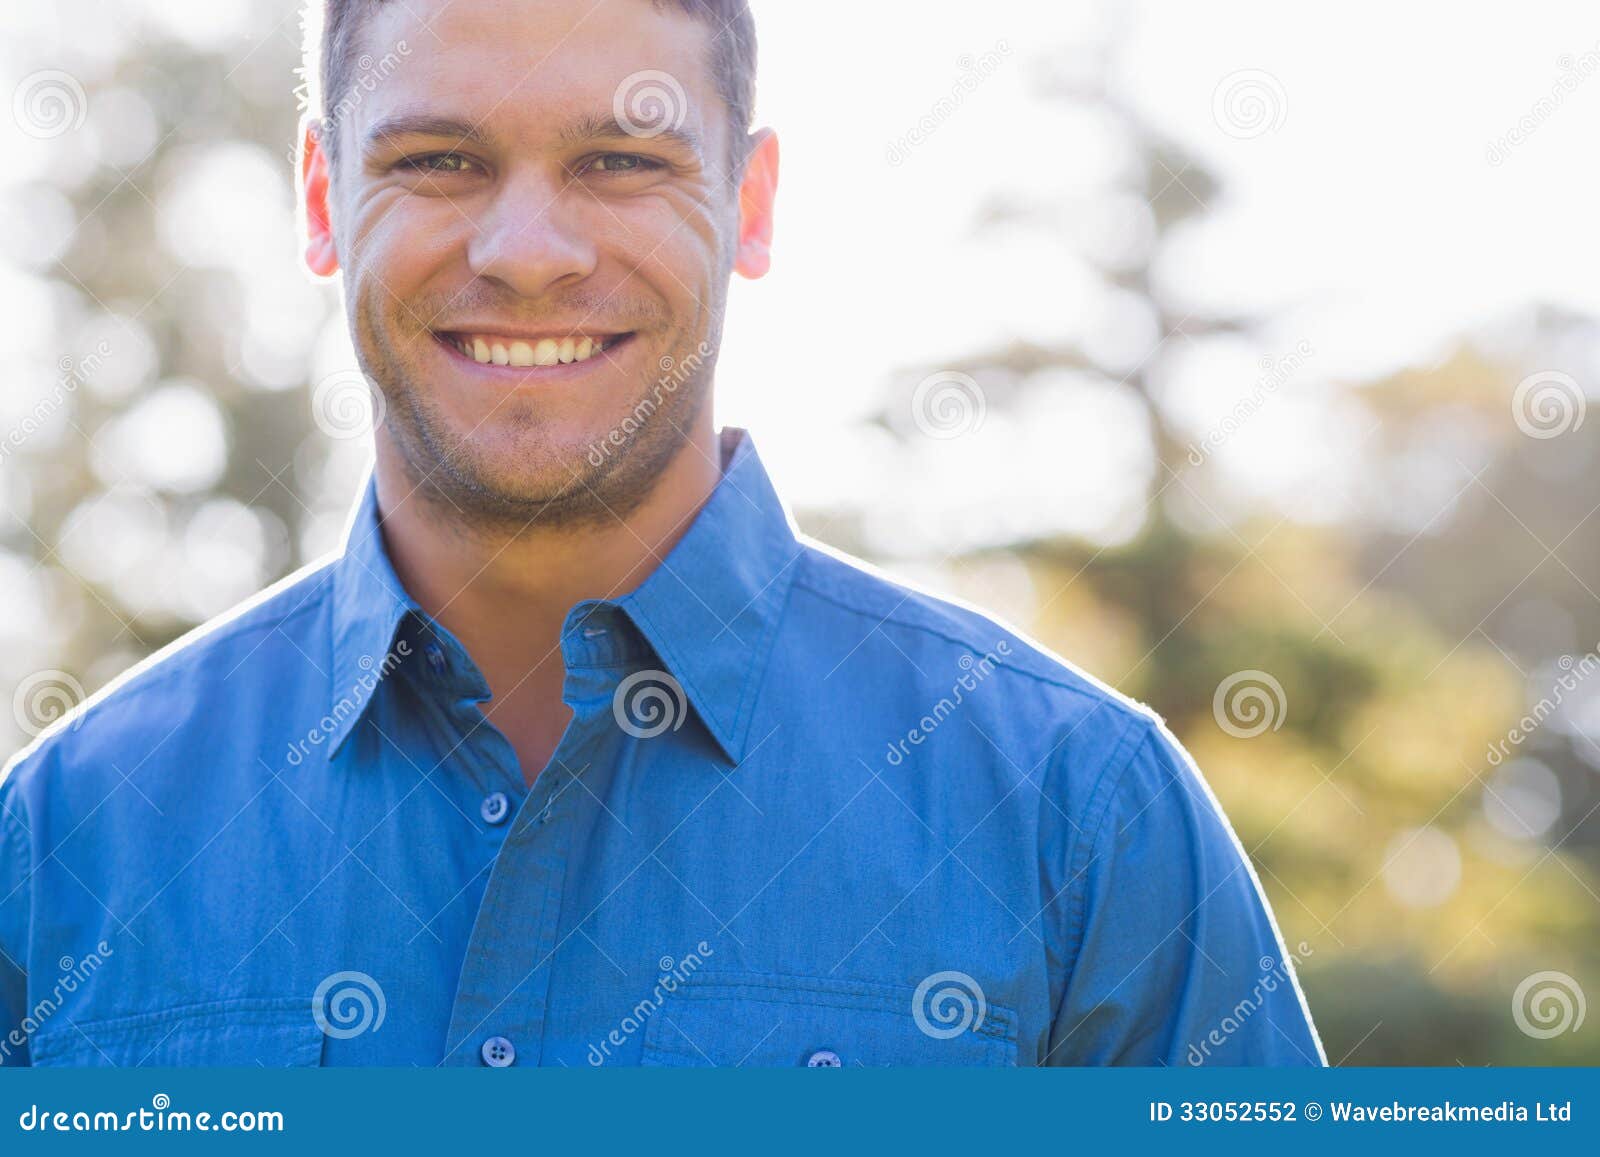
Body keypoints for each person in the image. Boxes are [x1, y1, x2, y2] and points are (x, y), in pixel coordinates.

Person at [0, 0, 1322, 1067]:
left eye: (620, 160)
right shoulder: (62, 844)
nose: (528, 250)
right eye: (438, 160)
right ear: (320, 196)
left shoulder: (1079, 819)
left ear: (749, 205)